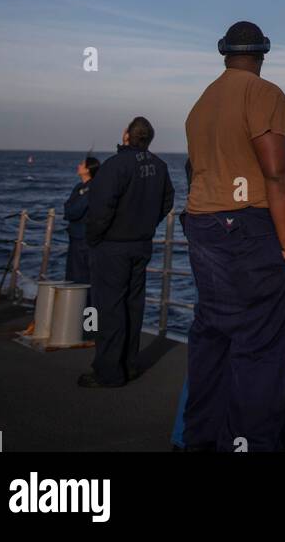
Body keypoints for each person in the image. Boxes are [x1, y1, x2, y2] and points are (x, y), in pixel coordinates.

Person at [183, 21, 285, 453]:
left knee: (213, 339)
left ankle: (201, 441)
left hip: (203, 226)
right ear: (263, 53)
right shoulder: (264, 94)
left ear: (224, 52)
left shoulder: (202, 103)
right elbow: (277, 172)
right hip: (250, 229)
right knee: (262, 348)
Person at [79, 118, 174, 389]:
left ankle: (108, 372)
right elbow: (167, 201)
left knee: (109, 309)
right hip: (141, 244)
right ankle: (128, 365)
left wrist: (95, 238)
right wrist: (146, 225)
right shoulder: (160, 166)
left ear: (126, 136)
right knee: (134, 306)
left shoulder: (115, 166)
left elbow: (100, 208)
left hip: (112, 246)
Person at [63, 155, 100, 283]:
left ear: (88, 169)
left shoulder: (92, 188)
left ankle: (85, 303)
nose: (79, 165)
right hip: (75, 236)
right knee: (73, 273)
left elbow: (74, 210)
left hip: (84, 237)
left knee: (81, 275)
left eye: (82, 164)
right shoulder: (79, 187)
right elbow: (68, 208)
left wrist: (70, 211)